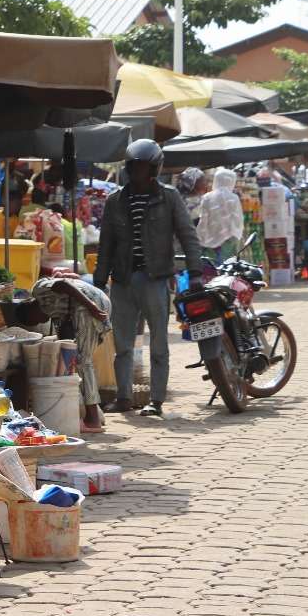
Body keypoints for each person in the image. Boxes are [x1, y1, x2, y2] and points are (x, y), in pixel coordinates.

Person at [93, 139, 202, 417]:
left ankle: (155, 400)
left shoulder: (169, 197)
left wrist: (196, 272)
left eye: (143, 166)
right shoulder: (116, 200)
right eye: (134, 166)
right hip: (123, 281)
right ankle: (124, 397)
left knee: (158, 346)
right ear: (129, 168)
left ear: (153, 168)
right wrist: (99, 279)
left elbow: (188, 235)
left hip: (155, 279)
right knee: (123, 346)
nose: (138, 171)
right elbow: (106, 243)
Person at [26, 278, 112, 433]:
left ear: (32, 308)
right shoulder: (54, 306)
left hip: (89, 305)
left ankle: (93, 420)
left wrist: (91, 307)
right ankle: (89, 412)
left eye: (35, 319)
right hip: (96, 301)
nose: (40, 321)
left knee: (82, 361)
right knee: (78, 360)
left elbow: (62, 284)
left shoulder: (38, 290)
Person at [196, 168, 244, 264]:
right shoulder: (234, 198)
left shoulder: (207, 197)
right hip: (229, 241)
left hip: (209, 240)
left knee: (211, 269)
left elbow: (203, 220)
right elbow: (238, 221)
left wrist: (200, 237)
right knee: (227, 269)